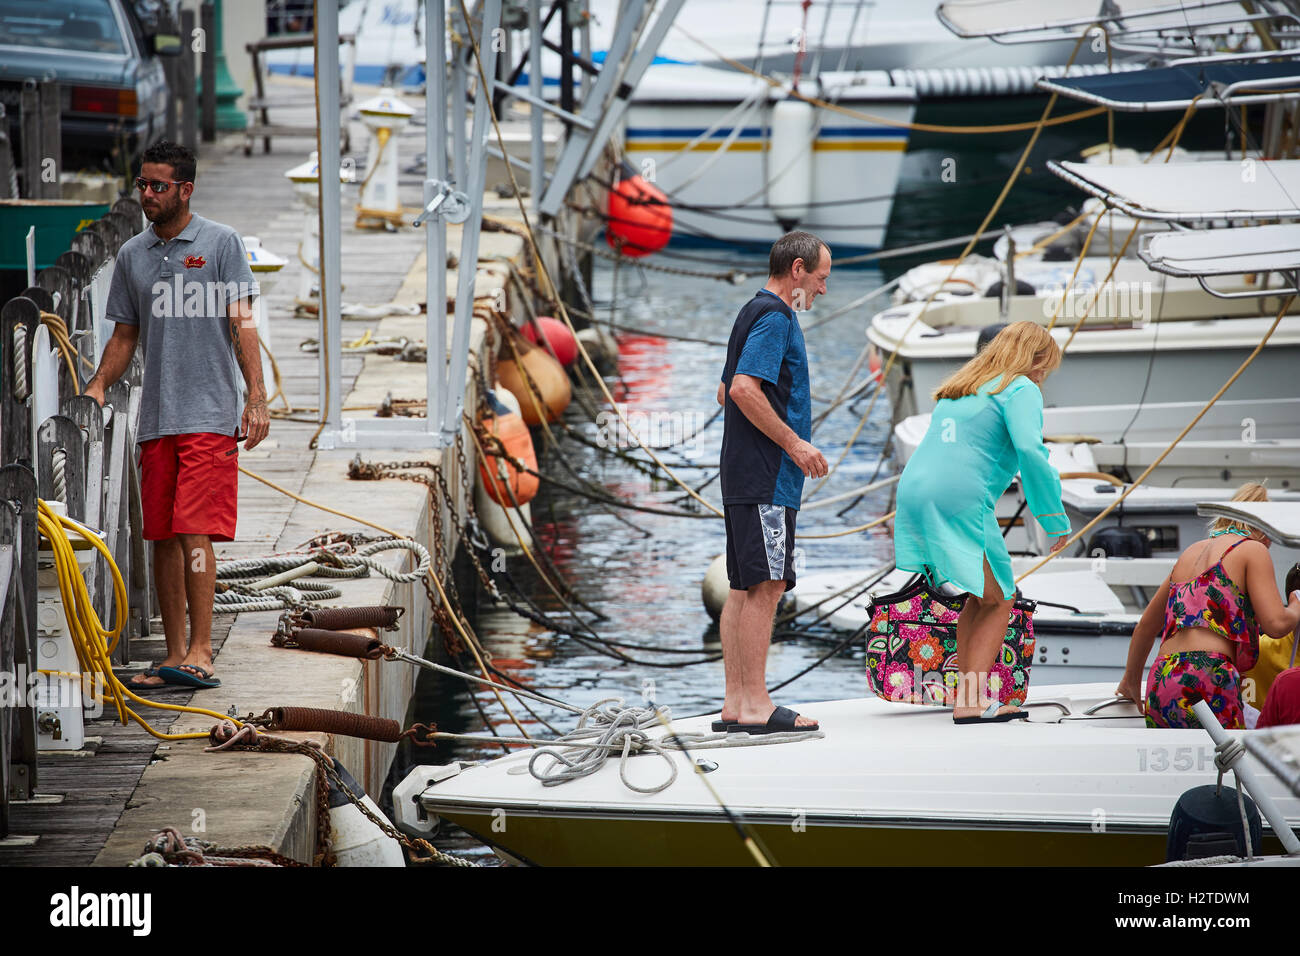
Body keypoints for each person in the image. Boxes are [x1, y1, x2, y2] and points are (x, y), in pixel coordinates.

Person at [84, 140, 269, 691]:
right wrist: (96, 386)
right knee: (162, 535)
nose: (147, 194)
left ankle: (202, 649)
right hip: (157, 418)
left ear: (185, 189)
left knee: (194, 530)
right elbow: (124, 334)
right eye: (142, 184)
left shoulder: (221, 244)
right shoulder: (132, 256)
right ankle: (173, 655)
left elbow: (244, 325)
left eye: (158, 186)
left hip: (210, 414)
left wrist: (255, 398)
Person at [893, 321, 1071, 724]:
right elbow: (1030, 449)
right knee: (1000, 598)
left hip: (917, 489)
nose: (1045, 375)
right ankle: (972, 703)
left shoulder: (963, 387)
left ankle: (967, 699)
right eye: (1046, 366)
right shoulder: (1021, 387)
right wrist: (1053, 517)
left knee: (980, 595)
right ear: (1036, 358)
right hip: (960, 497)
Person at [714, 231, 830, 734]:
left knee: (743, 587)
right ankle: (758, 705)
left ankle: (736, 704)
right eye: (821, 278)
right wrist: (795, 444)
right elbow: (741, 390)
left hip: (742, 470)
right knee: (768, 585)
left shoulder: (749, 312)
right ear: (798, 270)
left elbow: (723, 391)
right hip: (767, 474)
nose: (823, 290)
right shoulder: (778, 317)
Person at [1116, 482, 1300, 729]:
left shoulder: (1191, 553)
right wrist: (1296, 603)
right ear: (1264, 528)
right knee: (1228, 761)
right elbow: (1276, 625)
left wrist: (1130, 679)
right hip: (1208, 673)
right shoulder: (1252, 549)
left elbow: (1145, 628)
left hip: (1163, 677)